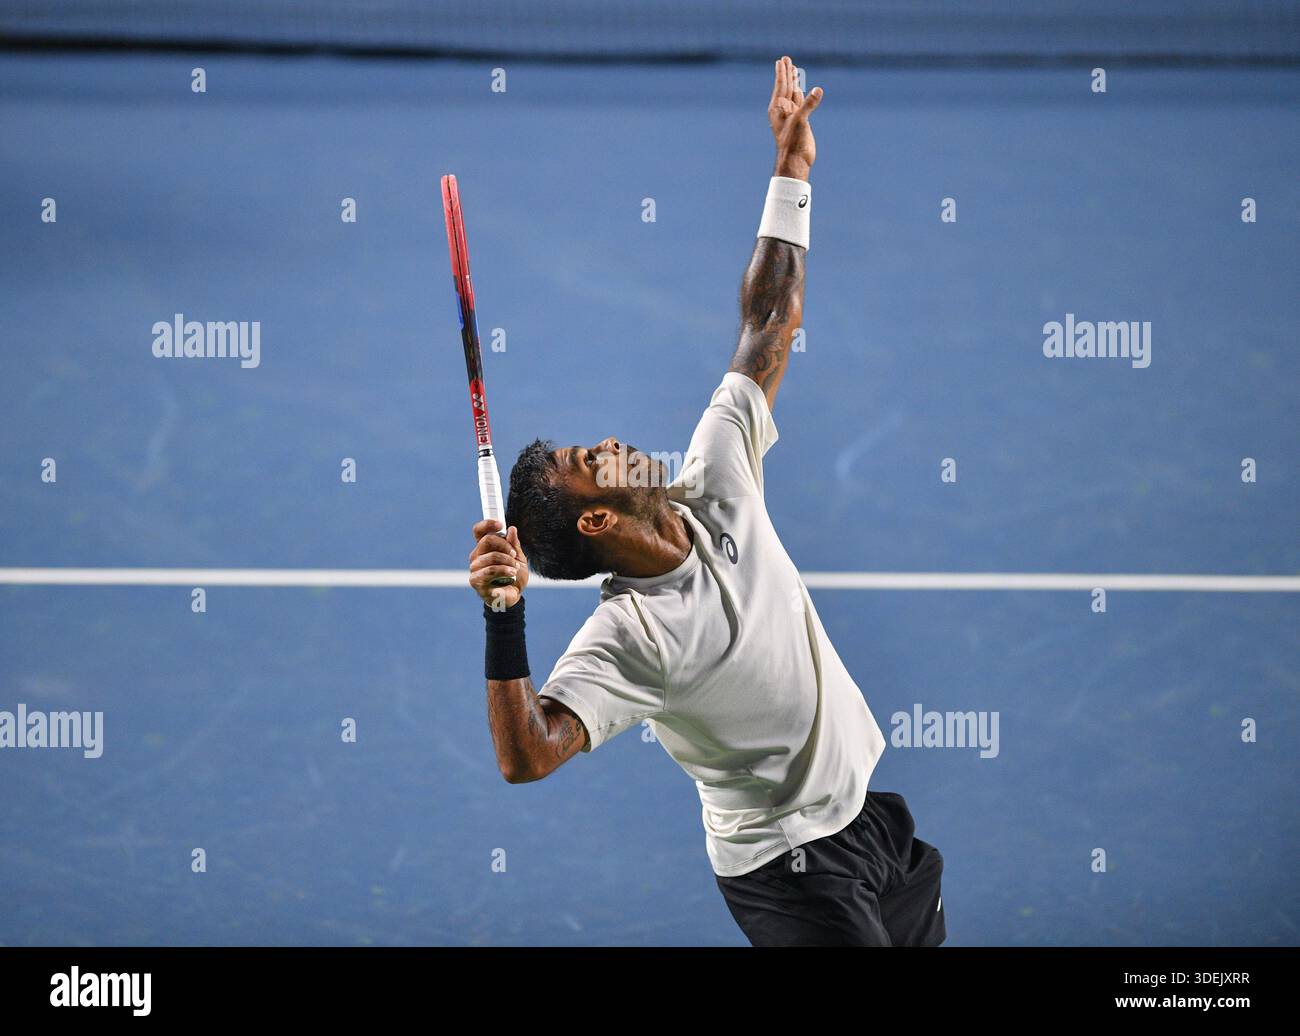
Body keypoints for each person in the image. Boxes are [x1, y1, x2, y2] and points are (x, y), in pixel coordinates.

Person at [467, 56, 945, 947]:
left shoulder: (713, 469)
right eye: (590, 460)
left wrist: (791, 173)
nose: (610, 443)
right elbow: (525, 756)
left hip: (871, 821)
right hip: (789, 869)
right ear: (598, 521)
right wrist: (505, 616)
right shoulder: (631, 637)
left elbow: (770, 320)